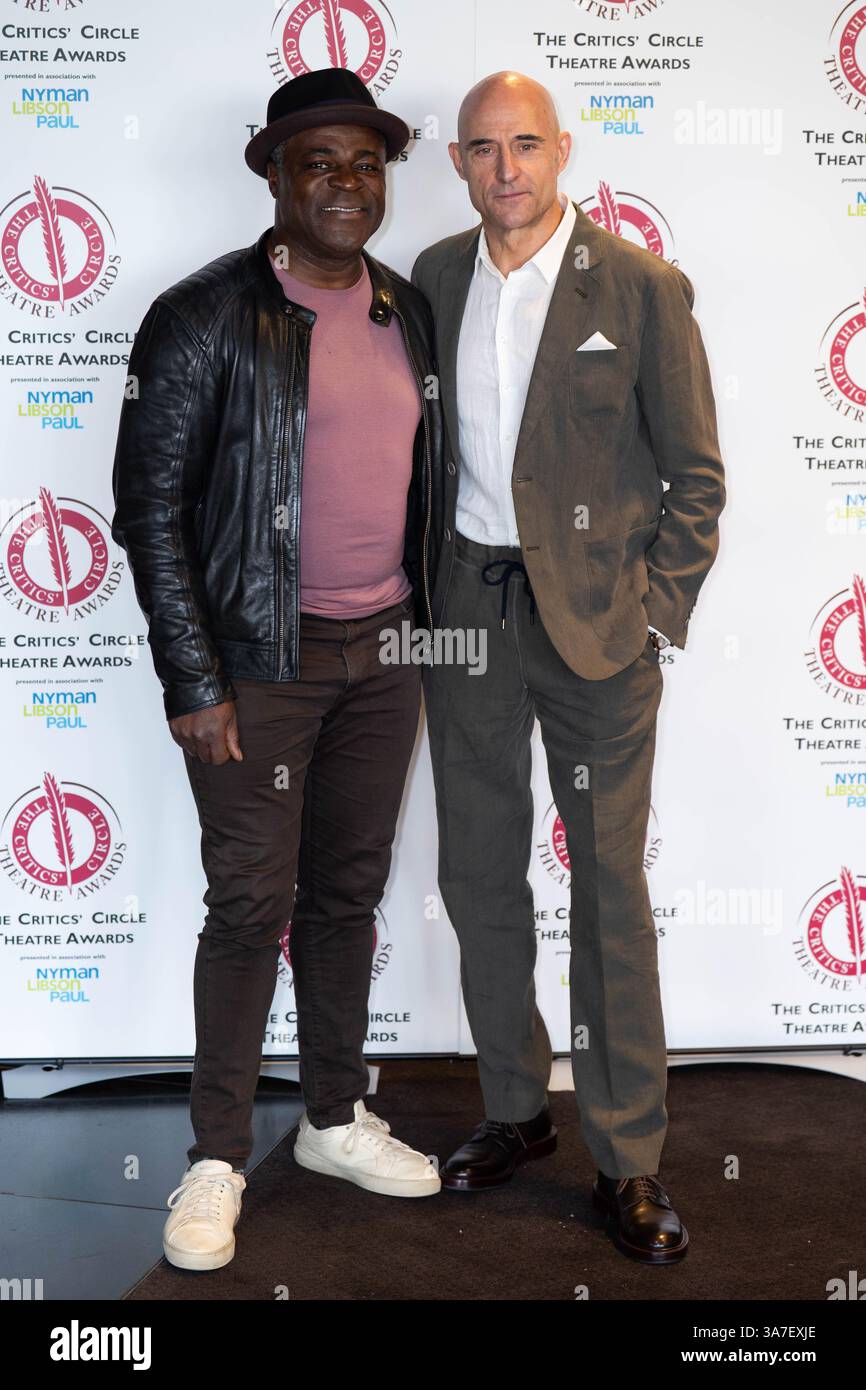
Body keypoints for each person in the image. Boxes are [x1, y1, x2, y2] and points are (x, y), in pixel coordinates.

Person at [111, 68, 444, 1273]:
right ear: (272, 176)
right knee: (251, 903)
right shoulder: (201, 316)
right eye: (319, 163)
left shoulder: (407, 312)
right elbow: (147, 507)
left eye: (365, 163)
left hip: (386, 649)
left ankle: (334, 1117)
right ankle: (211, 1154)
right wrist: (192, 678)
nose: (346, 184)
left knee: (345, 894)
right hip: (258, 662)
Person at [413, 71, 726, 1264]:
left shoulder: (638, 286)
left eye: (525, 144)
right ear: (457, 162)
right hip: (465, 617)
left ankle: (625, 1158)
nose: (506, 168)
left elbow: (696, 475)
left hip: (597, 632)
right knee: (478, 873)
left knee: (605, 893)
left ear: (561, 151)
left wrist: (653, 610)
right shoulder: (433, 280)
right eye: (484, 148)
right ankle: (509, 1109)